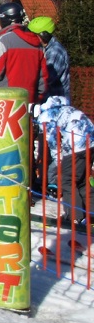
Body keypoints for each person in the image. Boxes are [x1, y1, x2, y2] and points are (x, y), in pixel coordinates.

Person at [35, 94, 94, 233]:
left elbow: (54, 143)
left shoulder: (46, 117)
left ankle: (74, 217)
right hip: (91, 145)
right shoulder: (69, 109)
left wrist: (60, 161)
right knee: (82, 181)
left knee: (67, 181)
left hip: (76, 147)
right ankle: (91, 214)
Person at [0, 2, 47, 105]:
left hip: (2, 106)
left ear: (3, 20)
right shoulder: (37, 43)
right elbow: (43, 81)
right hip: (28, 104)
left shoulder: (2, 41)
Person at [28, 16, 70, 101]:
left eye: (33, 35)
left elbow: (47, 78)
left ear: (44, 35)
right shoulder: (43, 49)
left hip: (55, 102)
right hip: (48, 100)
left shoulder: (55, 52)